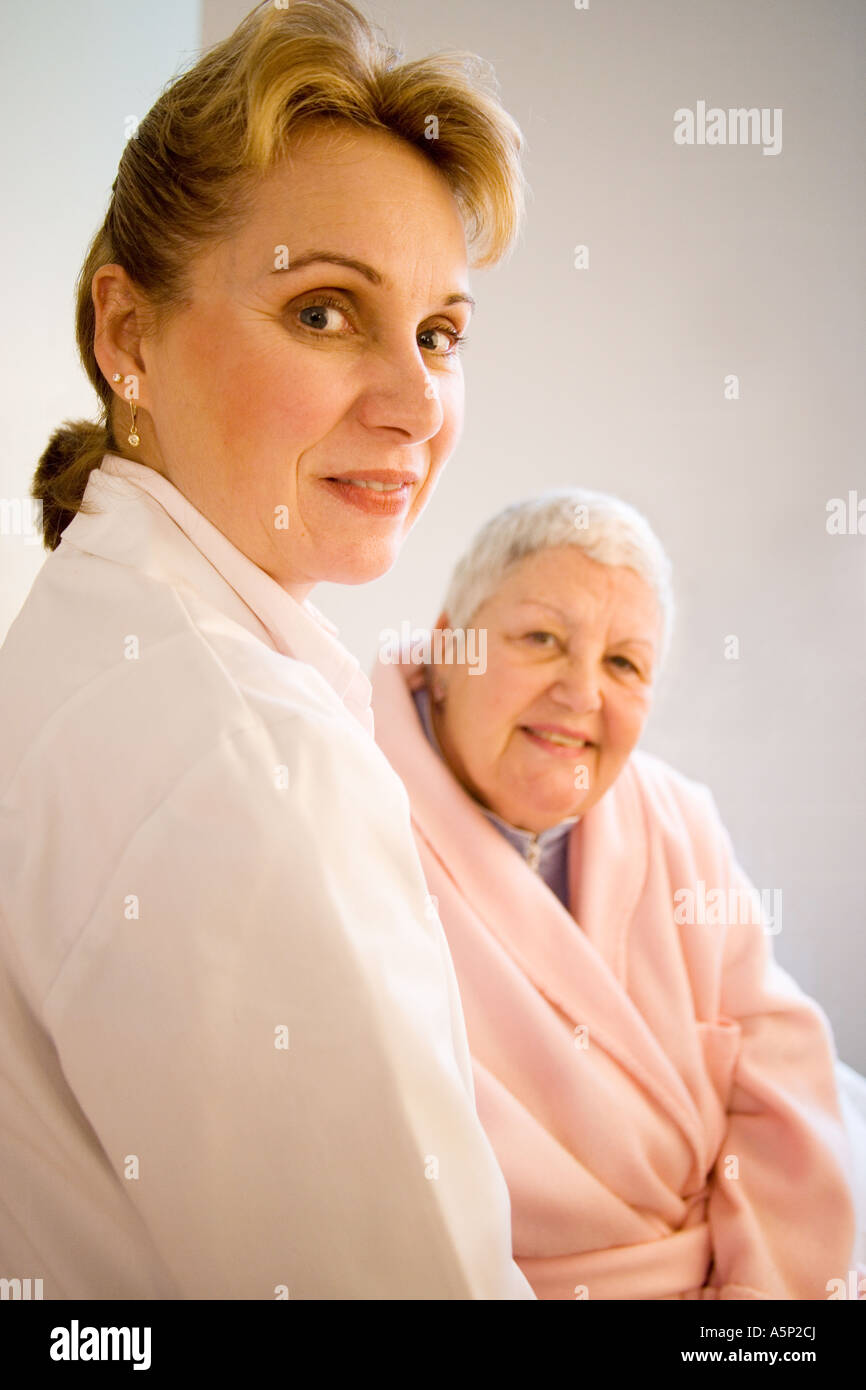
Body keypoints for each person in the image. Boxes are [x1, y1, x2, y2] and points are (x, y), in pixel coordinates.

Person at [0, 0, 536, 1299]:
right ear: (127, 335)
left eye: (439, 332)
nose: (415, 405)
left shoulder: (103, 635)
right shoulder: (245, 750)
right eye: (324, 312)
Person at [371, 487, 861, 1299]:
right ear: (450, 650)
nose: (581, 694)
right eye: (542, 639)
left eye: (623, 663)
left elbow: (781, 1082)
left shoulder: (677, 821)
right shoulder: (343, 810)